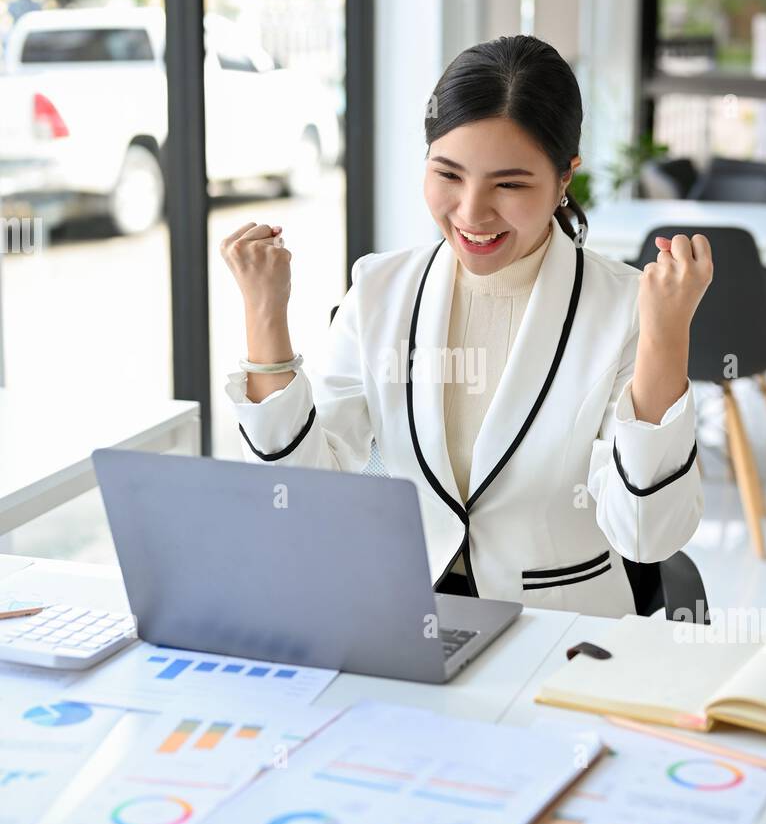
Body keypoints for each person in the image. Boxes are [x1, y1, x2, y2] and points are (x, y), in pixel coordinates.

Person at [220, 34, 712, 617]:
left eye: (509, 184)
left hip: (562, 637)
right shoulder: (379, 290)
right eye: (448, 175)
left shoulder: (625, 306)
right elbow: (297, 502)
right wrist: (264, 314)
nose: (472, 212)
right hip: (399, 618)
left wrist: (666, 337)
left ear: (564, 179)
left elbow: (647, 536)